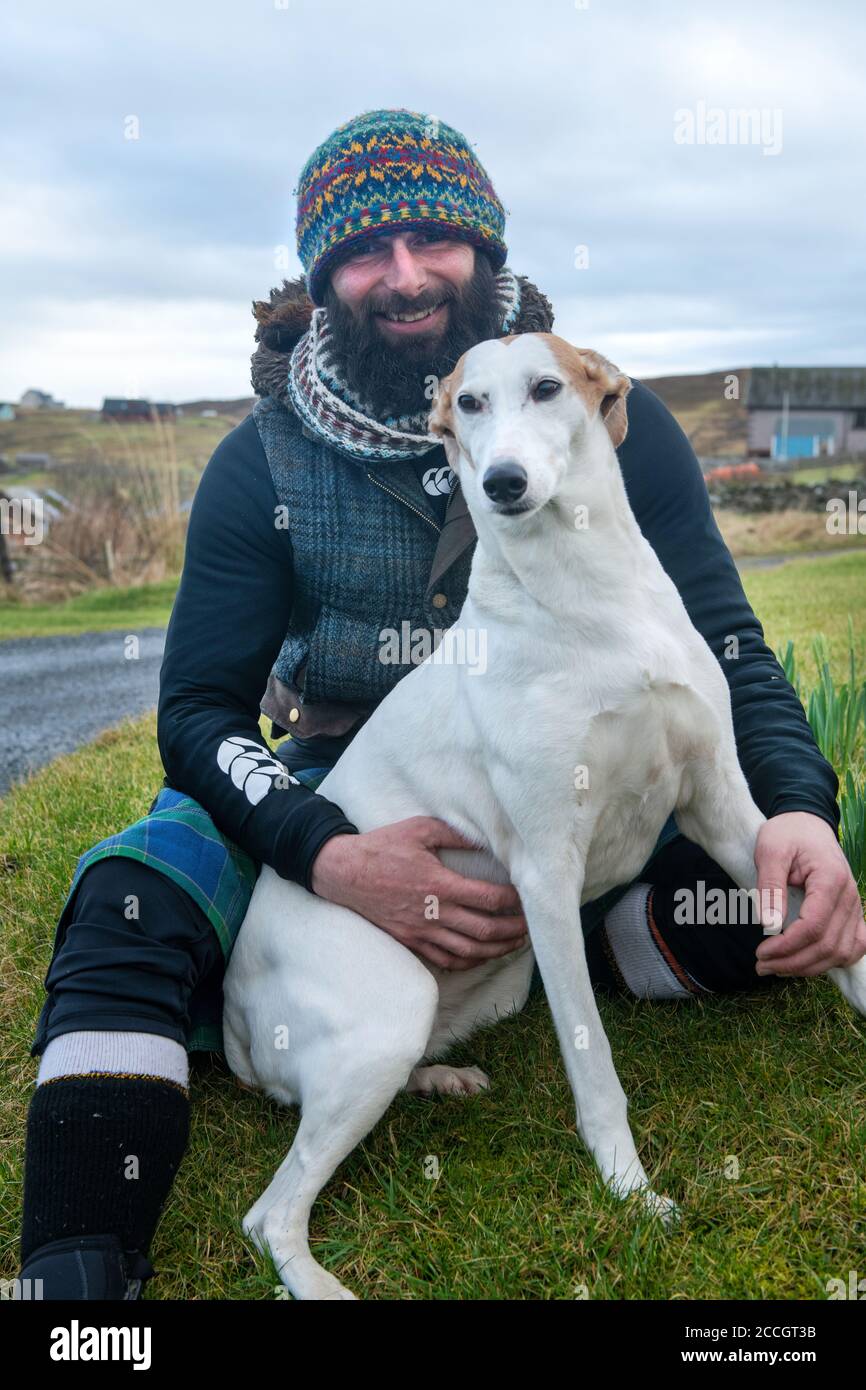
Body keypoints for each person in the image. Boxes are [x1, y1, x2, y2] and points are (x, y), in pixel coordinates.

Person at [18, 108, 864, 1300]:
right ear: (321, 279)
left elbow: (724, 647)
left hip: (561, 802)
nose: (405, 273)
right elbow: (199, 714)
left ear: (484, 250)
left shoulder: (602, 409)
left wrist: (801, 808)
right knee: (132, 892)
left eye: (434, 238)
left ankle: (553, 953)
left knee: (754, 910)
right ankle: (77, 1275)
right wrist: (328, 853)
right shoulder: (260, 460)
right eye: (365, 249)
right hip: (346, 777)